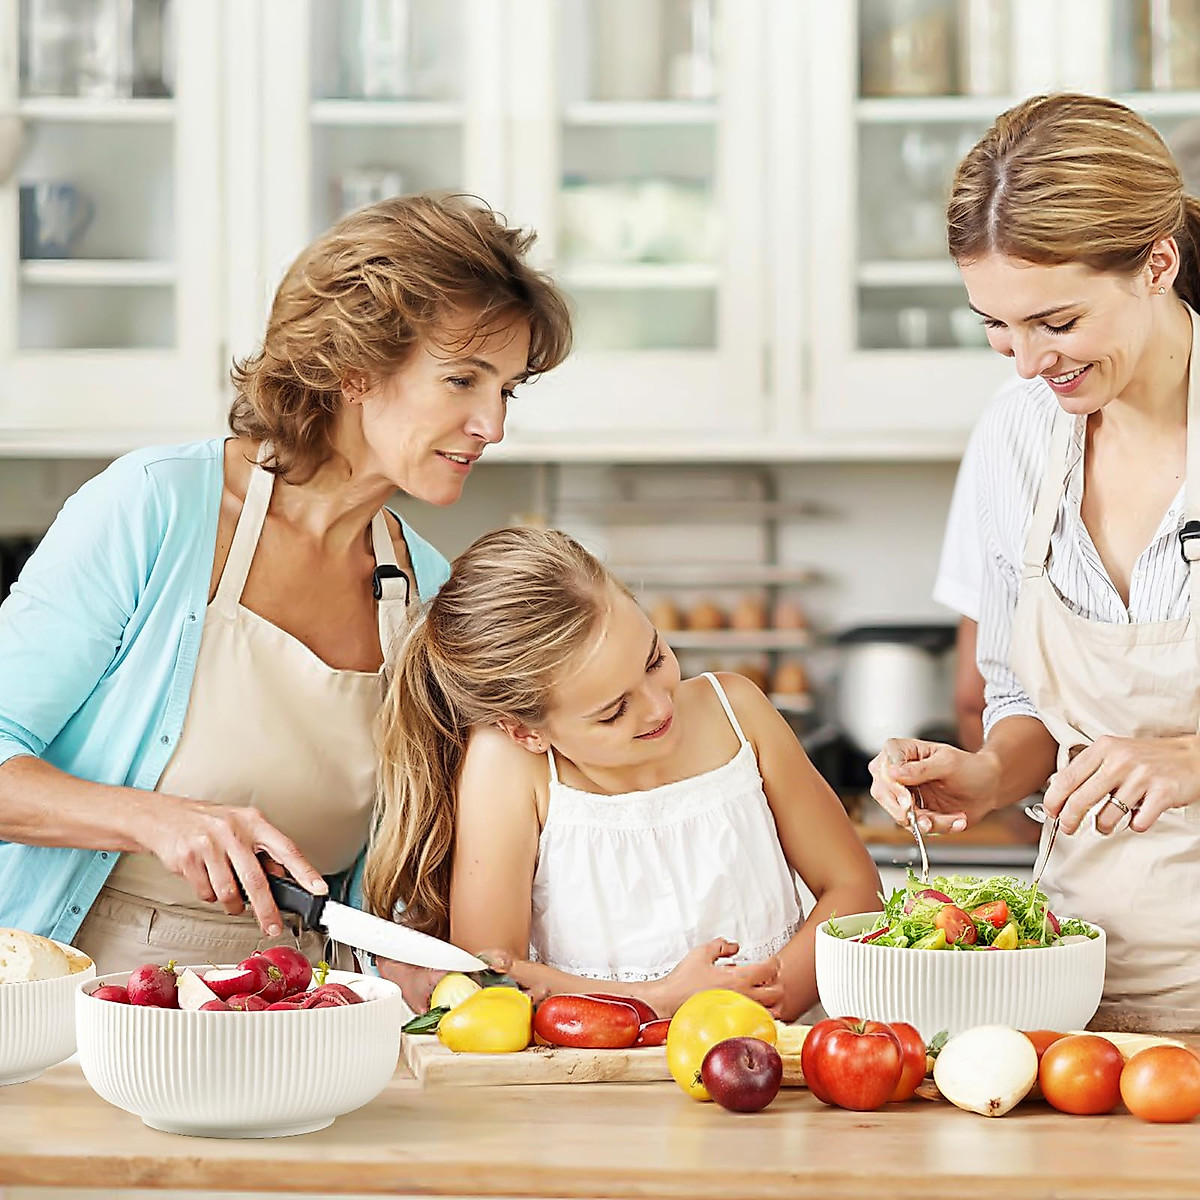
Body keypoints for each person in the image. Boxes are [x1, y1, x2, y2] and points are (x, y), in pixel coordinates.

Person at [0, 194, 572, 978]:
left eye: (505, 390)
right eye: (462, 380)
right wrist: (157, 820)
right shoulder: (157, 507)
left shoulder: (427, 593)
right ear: (355, 369)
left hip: (298, 1002)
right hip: (88, 990)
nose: (492, 425)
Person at [869, 93, 1200, 1030]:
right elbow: (1027, 703)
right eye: (996, 326)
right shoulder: (1019, 434)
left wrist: (1191, 757)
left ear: (1158, 264)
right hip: (1082, 988)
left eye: (1056, 322)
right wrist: (986, 774)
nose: (1025, 362)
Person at [365, 526, 881, 1021]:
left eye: (654, 659)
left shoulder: (737, 712)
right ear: (525, 731)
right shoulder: (511, 767)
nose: (659, 707)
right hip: (593, 1075)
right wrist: (658, 1000)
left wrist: (775, 994)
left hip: (776, 1060)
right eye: (613, 711)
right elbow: (487, 977)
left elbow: (853, 885)